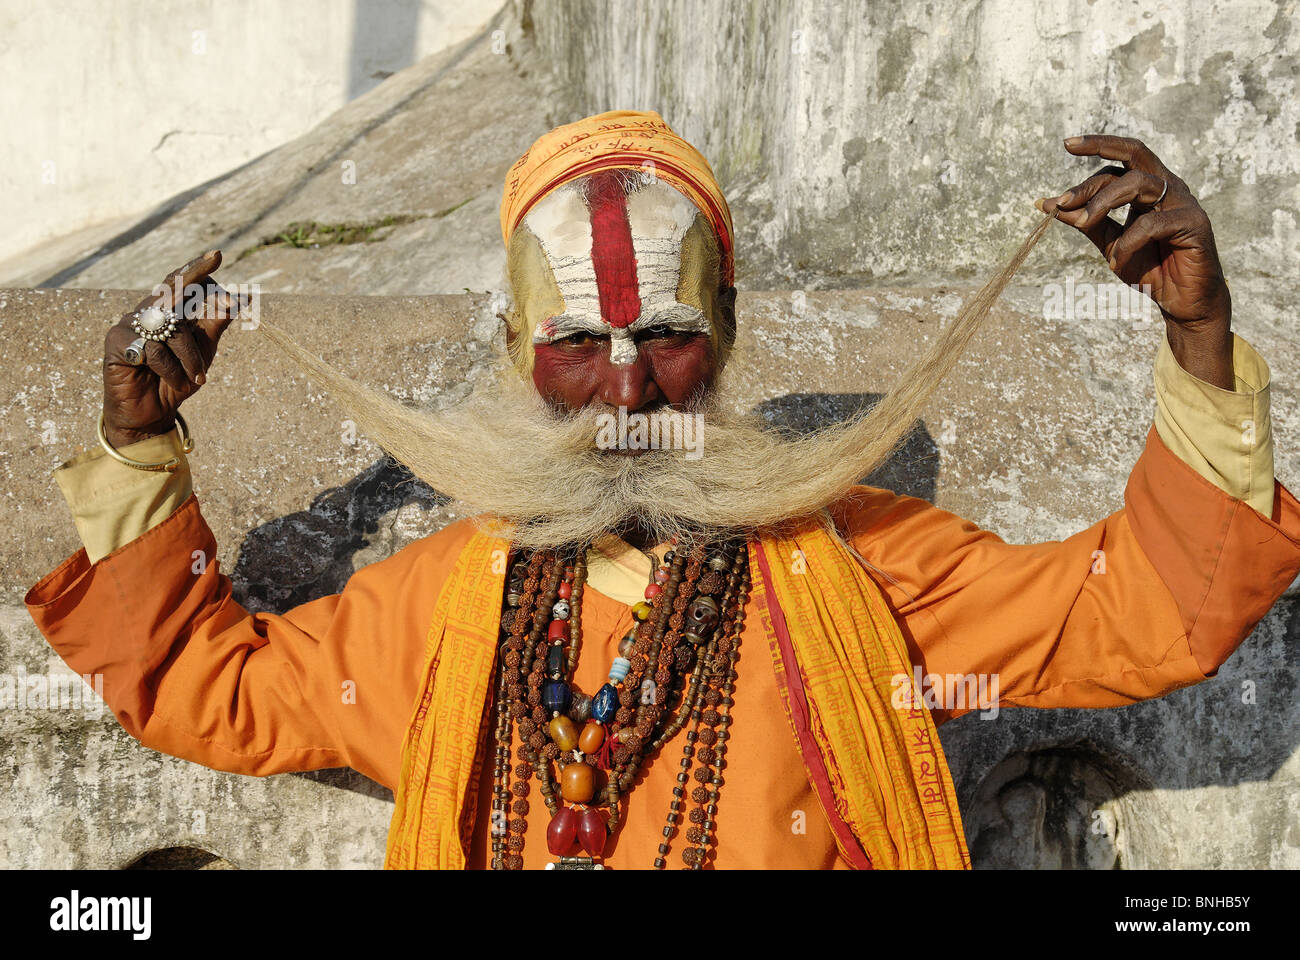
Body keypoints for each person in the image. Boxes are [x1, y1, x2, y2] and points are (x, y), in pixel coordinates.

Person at [26, 111, 1300, 870]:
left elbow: (1148, 612)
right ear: (520, 354)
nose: (627, 398)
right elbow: (217, 690)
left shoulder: (864, 570)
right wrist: (139, 448)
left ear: (730, 335)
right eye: (579, 345)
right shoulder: (443, 612)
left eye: (667, 340)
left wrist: (1196, 339)